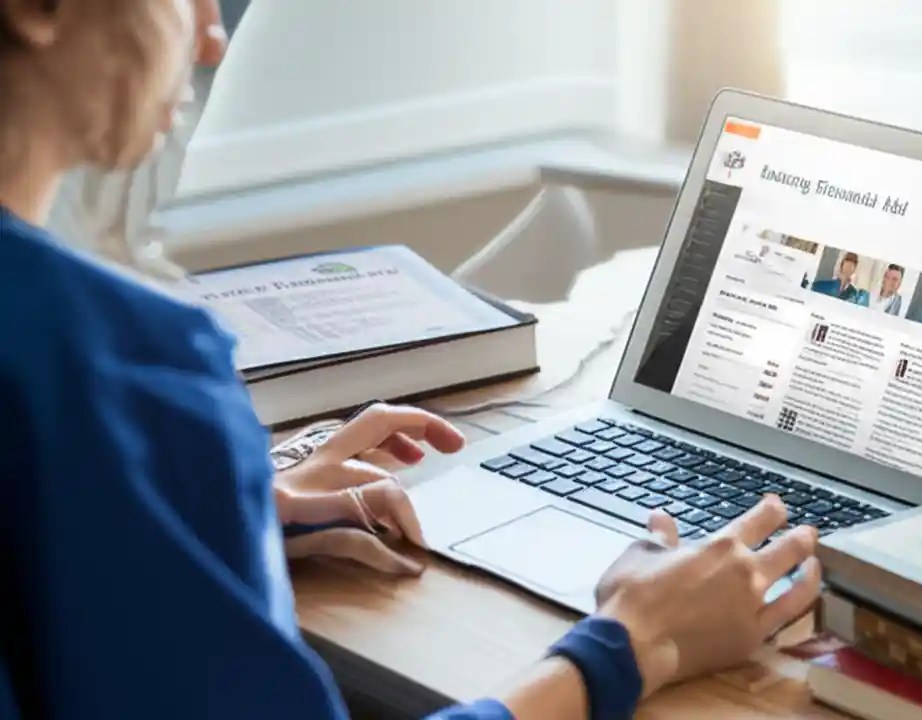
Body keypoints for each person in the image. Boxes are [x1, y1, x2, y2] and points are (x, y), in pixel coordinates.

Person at [0, 2, 822, 719]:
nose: (212, 38)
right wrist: (634, 646)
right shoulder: (124, 371)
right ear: (37, 6)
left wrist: (221, 514)